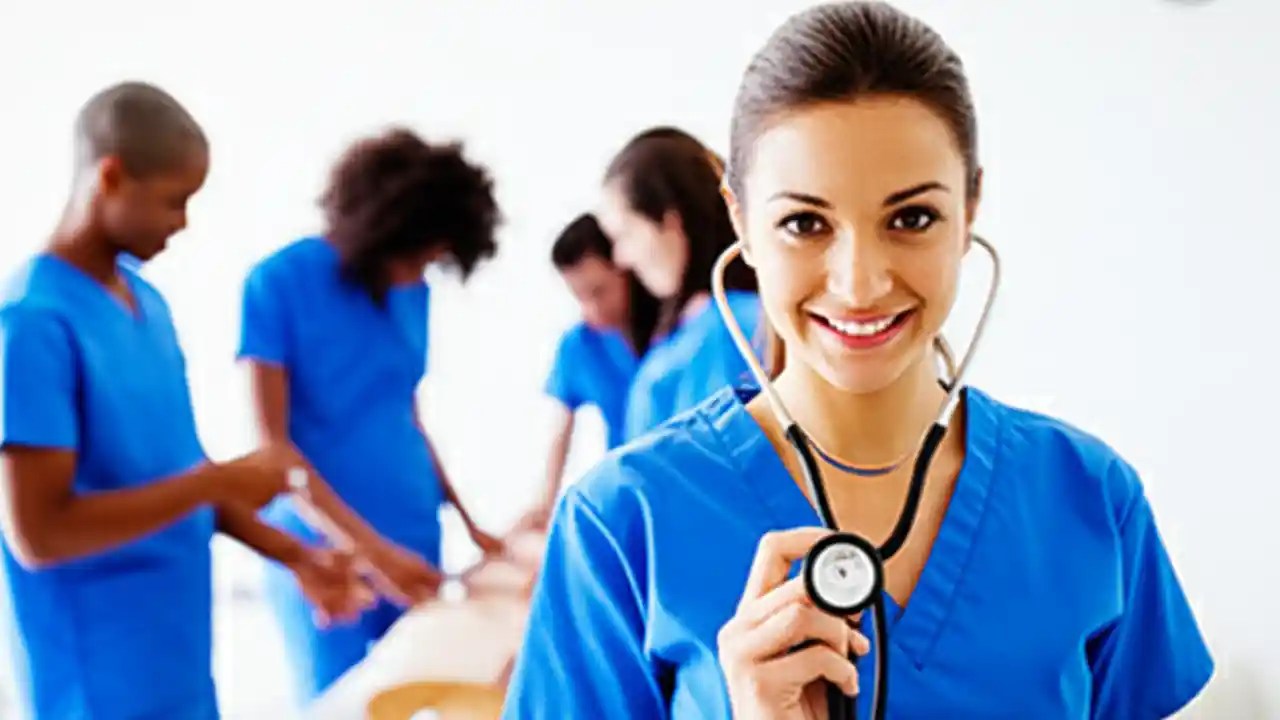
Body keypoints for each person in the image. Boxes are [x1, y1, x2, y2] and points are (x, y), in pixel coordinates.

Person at [502, 3, 1214, 718]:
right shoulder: (622, 521)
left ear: (971, 209)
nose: (860, 282)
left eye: (910, 218)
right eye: (805, 223)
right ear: (742, 223)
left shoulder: (1089, 499)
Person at [0, 81, 369, 720]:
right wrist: (213, 483)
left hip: (179, 670)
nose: (183, 223)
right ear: (111, 177)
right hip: (96, 692)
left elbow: (182, 479)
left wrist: (296, 555)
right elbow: (39, 532)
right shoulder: (34, 321)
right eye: (175, 201)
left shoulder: (150, 306)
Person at [237, 126, 507, 704]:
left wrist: (468, 519)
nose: (424, 271)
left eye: (437, 258)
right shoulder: (277, 284)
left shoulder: (414, 294)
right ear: (386, 227)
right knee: (336, 702)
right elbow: (272, 449)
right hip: (325, 551)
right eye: (420, 254)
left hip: (413, 539)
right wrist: (369, 551)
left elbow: (408, 415)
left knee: (424, 699)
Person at [595, 127, 763, 441]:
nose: (621, 259)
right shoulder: (718, 326)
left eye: (625, 234)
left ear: (671, 221)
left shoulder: (727, 328)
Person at [519, 213, 659, 530]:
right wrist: (544, 504)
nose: (591, 309)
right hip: (627, 494)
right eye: (579, 296)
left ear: (625, 269)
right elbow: (560, 433)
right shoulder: (579, 344)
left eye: (599, 291)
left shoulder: (676, 329)